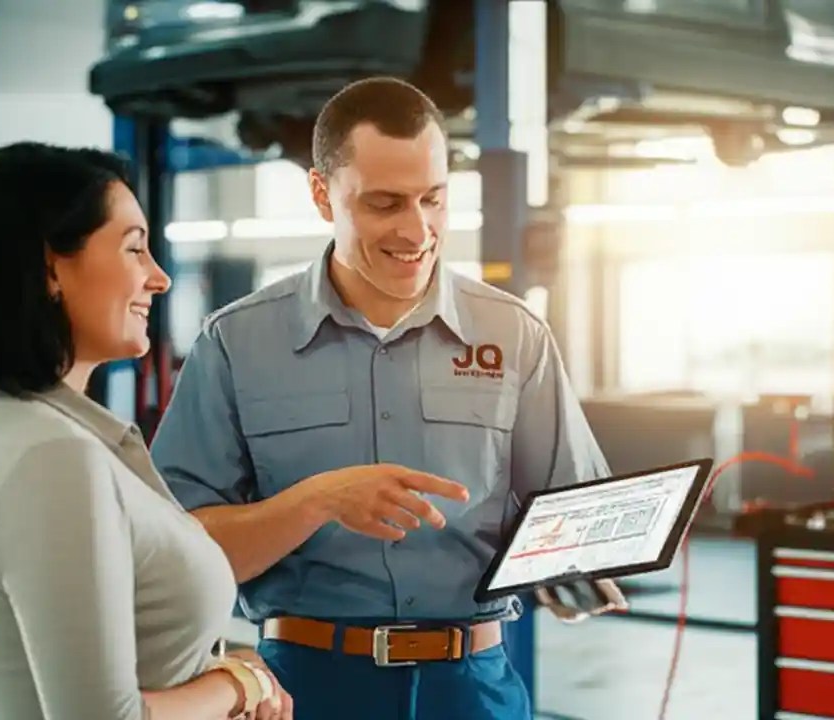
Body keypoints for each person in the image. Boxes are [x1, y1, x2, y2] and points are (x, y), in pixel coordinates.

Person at [151, 77, 624, 720]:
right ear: (322, 194)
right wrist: (316, 501)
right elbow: (180, 556)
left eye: (434, 199)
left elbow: (573, 514)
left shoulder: (513, 335)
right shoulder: (236, 344)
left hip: (473, 690)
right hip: (304, 691)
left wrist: (580, 567)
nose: (417, 229)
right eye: (385, 203)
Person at [0, 141, 292, 720]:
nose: (159, 278)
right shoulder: (52, 456)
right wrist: (240, 684)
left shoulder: (5, 421)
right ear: (50, 268)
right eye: (134, 248)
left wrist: (215, 668)